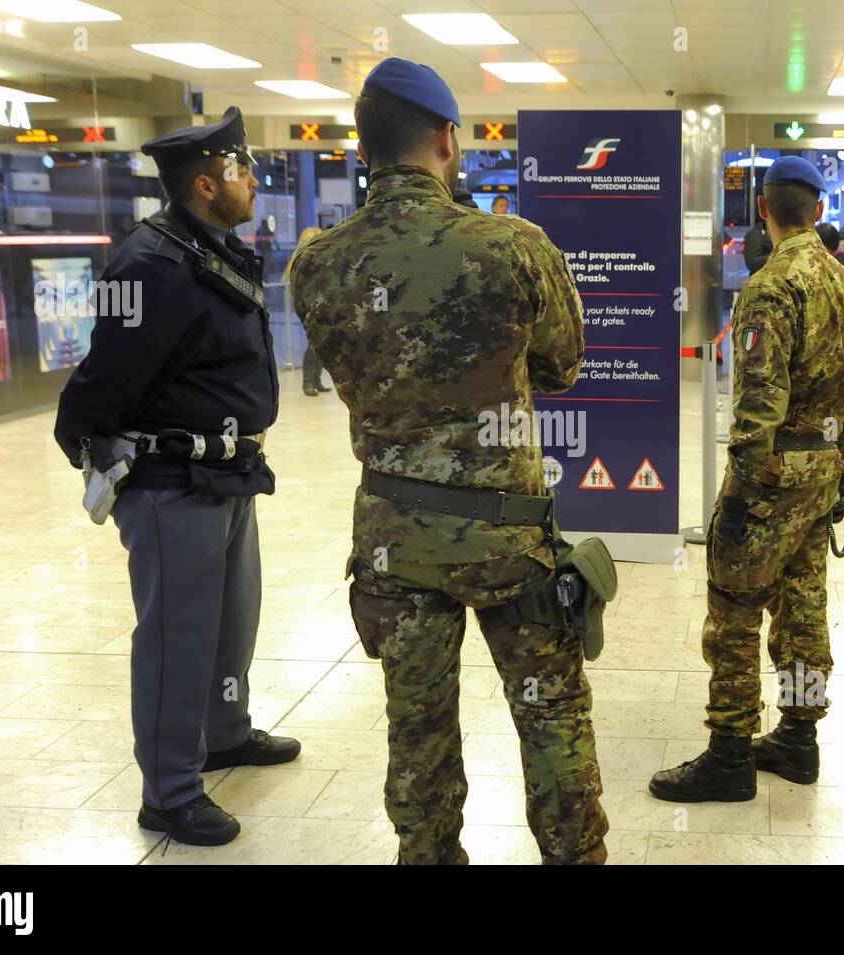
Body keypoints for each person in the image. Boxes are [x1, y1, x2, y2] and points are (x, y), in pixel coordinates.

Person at [289, 57, 607, 865]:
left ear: (364, 149)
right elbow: (561, 366)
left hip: (394, 541)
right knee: (550, 716)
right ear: (445, 137)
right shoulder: (512, 245)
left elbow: (350, 373)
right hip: (508, 540)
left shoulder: (317, 263)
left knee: (417, 727)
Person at [53, 106, 296, 847]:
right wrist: (92, 444)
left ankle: (223, 732)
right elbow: (106, 378)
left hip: (229, 472)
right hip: (170, 479)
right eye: (239, 168)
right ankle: (169, 789)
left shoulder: (212, 246)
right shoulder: (151, 262)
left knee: (231, 624)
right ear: (203, 181)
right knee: (177, 635)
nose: (252, 178)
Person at [648, 155, 844, 800]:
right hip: (823, 471)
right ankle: (799, 741)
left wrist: (745, 491)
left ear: (764, 210)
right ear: (821, 211)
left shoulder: (771, 287)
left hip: (772, 479)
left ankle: (728, 754)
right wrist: (840, 471)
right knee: (804, 607)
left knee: (735, 612)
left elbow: (758, 406)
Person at [285, 225, 331, 396]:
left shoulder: (318, 259)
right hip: (310, 308)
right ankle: (308, 383)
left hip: (321, 306)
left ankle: (316, 380)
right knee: (313, 345)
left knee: (319, 345)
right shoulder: (299, 262)